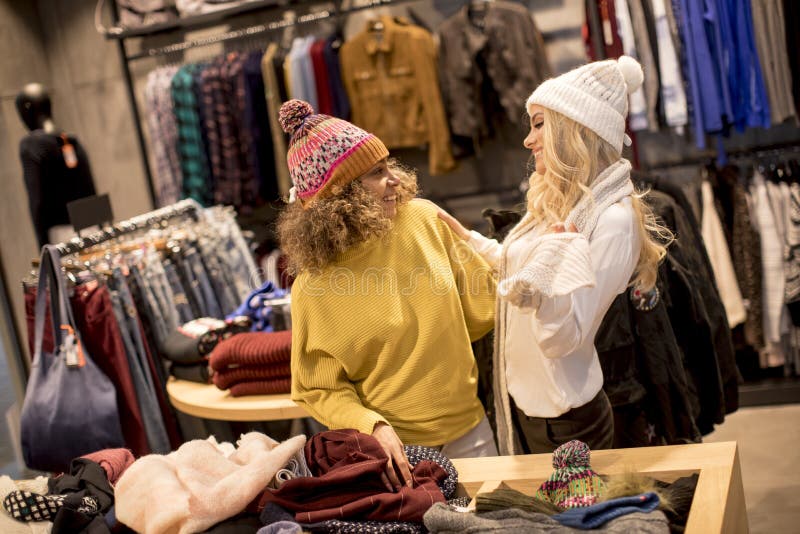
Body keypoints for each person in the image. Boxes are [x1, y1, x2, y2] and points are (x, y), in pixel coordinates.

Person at [438, 56, 673, 455]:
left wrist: (548, 275)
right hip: (528, 406)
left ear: (576, 127)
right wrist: (472, 242)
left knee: (572, 519)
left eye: (539, 123)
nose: (528, 141)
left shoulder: (612, 220)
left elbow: (564, 339)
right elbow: (525, 269)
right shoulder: (560, 201)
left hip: (567, 421)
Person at [276, 99, 498, 490]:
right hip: (398, 457)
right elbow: (318, 388)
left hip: (472, 430)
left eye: (388, 166)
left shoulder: (425, 219)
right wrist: (371, 425)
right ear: (340, 196)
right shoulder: (313, 287)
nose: (394, 179)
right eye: (377, 173)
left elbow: (485, 311)